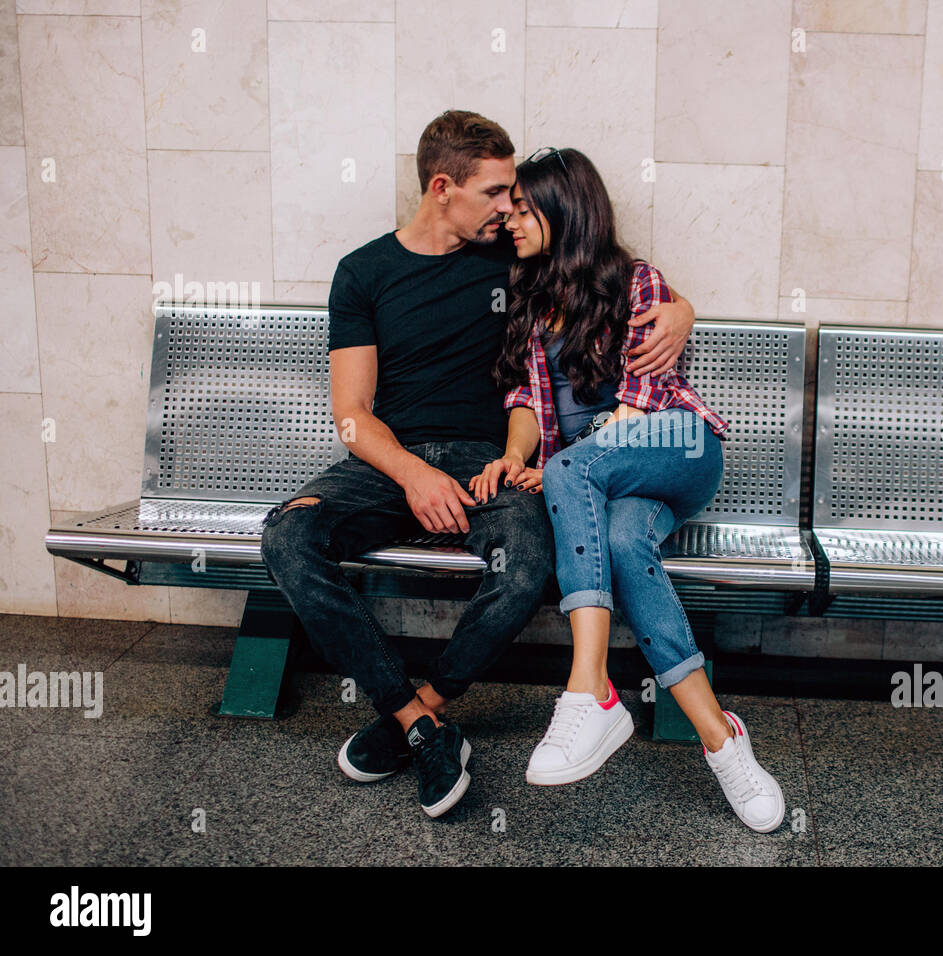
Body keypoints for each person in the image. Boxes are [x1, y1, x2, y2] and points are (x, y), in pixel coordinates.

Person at [258, 113, 697, 819]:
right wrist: (411, 474)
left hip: (489, 464)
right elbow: (352, 414)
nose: (508, 207)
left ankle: (422, 711)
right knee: (286, 535)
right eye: (495, 191)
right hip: (388, 461)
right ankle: (420, 724)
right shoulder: (364, 273)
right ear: (442, 187)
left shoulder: (515, 262)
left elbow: (607, 277)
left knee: (527, 564)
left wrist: (681, 310)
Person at [468, 147, 786, 833]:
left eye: (523, 208)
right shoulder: (526, 300)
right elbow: (528, 398)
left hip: (675, 445)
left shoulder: (636, 282)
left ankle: (589, 691)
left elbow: (638, 406)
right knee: (617, 538)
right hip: (605, 483)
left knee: (572, 471)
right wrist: (517, 457)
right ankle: (722, 740)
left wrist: (562, 465)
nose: (510, 220)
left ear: (565, 209)